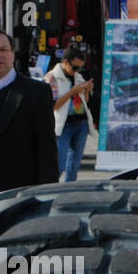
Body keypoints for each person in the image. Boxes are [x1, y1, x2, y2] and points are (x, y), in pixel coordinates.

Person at [0, 27, 58, 196]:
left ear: (12, 55)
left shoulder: (36, 93)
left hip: (18, 200)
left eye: (3, 49)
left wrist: (46, 199)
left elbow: (47, 154)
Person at [44, 46, 96, 181]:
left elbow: (86, 101)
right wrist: (72, 91)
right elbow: (53, 106)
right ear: (66, 61)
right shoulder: (51, 78)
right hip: (63, 126)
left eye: (80, 68)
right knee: (59, 165)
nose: (77, 71)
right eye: (75, 67)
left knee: (74, 165)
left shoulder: (78, 76)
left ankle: (69, 193)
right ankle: (50, 191)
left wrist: (86, 90)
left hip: (81, 123)